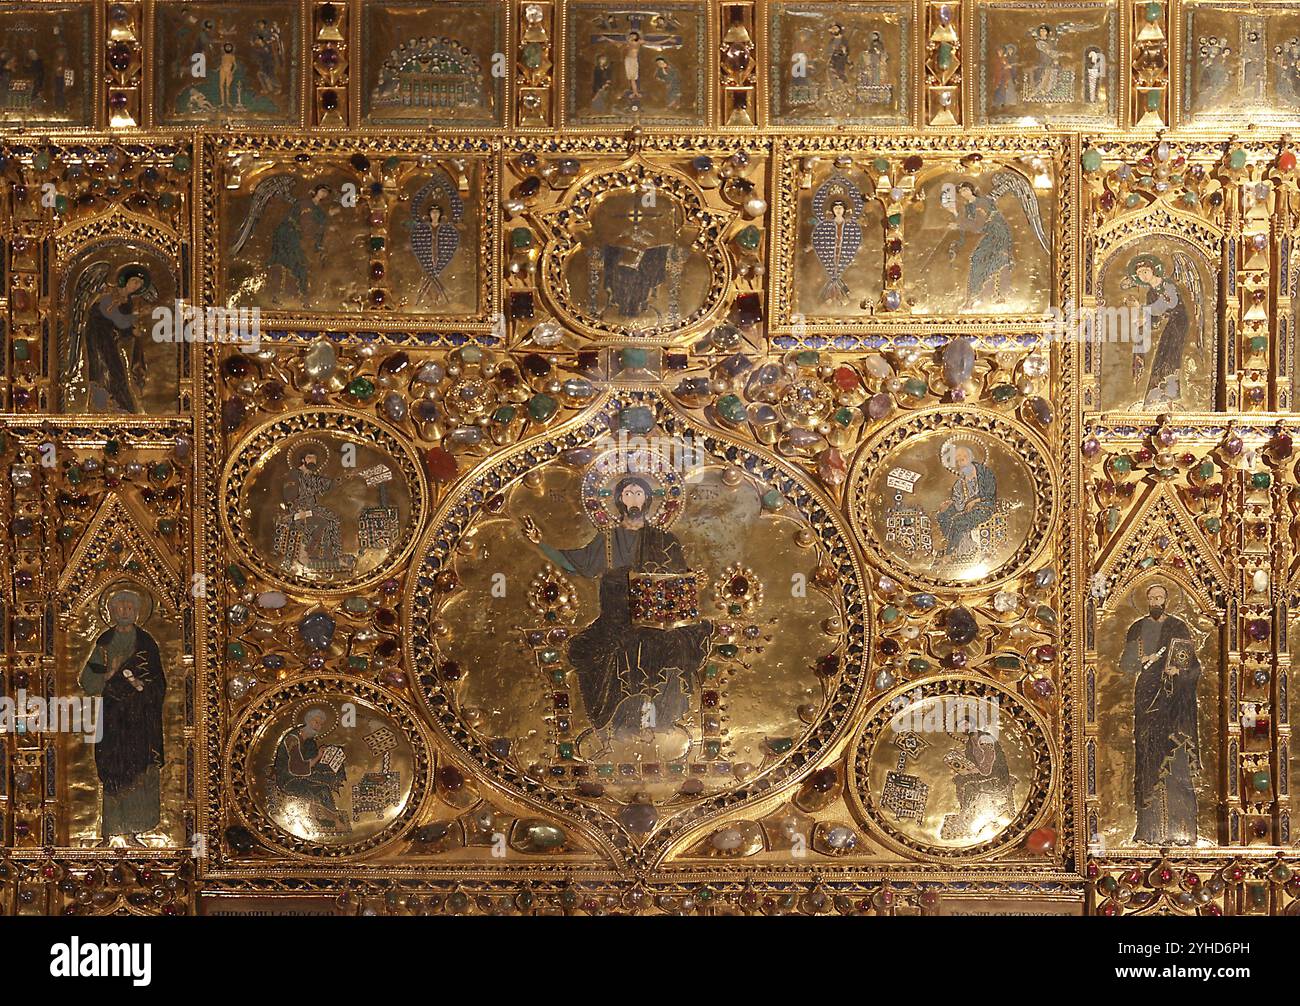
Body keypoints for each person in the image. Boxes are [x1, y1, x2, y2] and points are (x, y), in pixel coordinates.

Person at [522, 476, 712, 745]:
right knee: (597, 650)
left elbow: (679, 580)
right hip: (616, 619)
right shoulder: (608, 539)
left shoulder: (665, 539)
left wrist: (693, 580)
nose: (633, 500)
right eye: (627, 494)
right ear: (618, 501)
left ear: (649, 500)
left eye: (638, 494)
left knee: (672, 645)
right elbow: (577, 564)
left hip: (657, 619)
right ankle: (621, 723)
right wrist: (541, 543)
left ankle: (659, 720)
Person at [79, 588, 167, 847]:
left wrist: (142, 686)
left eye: (130, 607)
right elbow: (88, 681)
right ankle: (110, 832)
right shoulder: (105, 644)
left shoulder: (146, 643)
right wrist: (109, 674)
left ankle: (134, 831)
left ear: (137, 612)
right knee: (114, 769)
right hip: (114, 718)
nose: (125, 611)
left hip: (141, 718)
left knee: (140, 770)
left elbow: (159, 682)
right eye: (120, 607)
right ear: (111, 611)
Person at [1119, 583, 1201, 845]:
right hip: (1147, 697)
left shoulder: (1177, 627)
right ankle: (1150, 831)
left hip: (1174, 700)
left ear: (1166, 600)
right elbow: (1126, 663)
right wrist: (1142, 661)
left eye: (1159, 598)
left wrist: (1180, 673)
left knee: (1174, 755)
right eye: (1151, 598)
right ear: (1146, 601)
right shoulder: (1137, 628)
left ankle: (1181, 829)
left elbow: (1192, 664)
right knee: (1148, 754)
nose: (1155, 602)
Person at [1127, 254, 1190, 408]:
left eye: (1145, 271)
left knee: (1170, 357)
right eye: (1140, 273)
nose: (1143, 275)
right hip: (1170, 325)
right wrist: (1142, 322)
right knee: (1161, 358)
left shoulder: (1167, 285)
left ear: (1153, 270)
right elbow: (1154, 320)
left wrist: (1140, 308)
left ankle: (1169, 393)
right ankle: (1159, 395)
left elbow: (1166, 305)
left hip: (1179, 322)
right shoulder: (1150, 294)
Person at [271, 708, 348, 832]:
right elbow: (297, 767)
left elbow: (313, 762)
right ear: (307, 721)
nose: (318, 727)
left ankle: (315, 814)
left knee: (328, 775)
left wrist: (328, 756)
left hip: (301, 775)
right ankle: (335, 821)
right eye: (316, 722)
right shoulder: (292, 739)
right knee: (322, 787)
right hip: (288, 778)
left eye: (320, 724)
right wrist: (319, 756)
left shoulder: (310, 741)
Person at [934, 439, 998, 557]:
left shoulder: (985, 473)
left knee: (959, 522)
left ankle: (949, 555)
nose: (961, 459)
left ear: (971, 457)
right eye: (958, 458)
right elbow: (959, 502)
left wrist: (975, 500)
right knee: (942, 516)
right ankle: (957, 547)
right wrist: (950, 504)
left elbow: (990, 493)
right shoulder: (960, 481)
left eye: (963, 456)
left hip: (984, 507)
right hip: (966, 508)